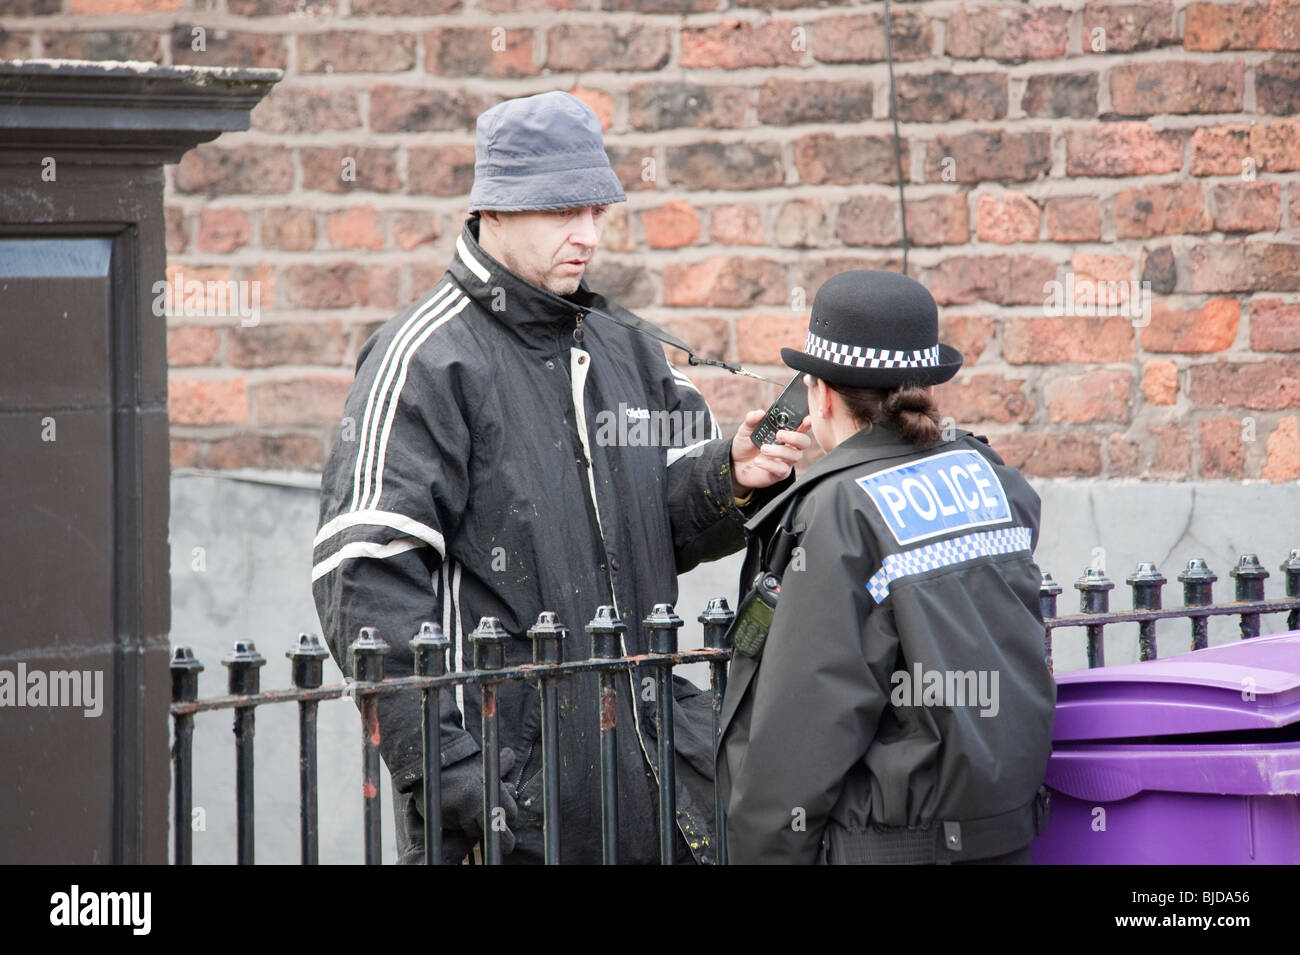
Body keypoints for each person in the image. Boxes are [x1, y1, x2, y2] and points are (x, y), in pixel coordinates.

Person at [311, 90, 810, 864]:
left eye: (597, 210)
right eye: (561, 211)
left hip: (657, 788)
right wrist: (455, 777)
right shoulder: (425, 358)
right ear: (494, 210)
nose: (587, 235)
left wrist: (730, 475)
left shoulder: (625, 346)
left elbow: (659, 522)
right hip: (513, 814)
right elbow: (364, 579)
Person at [717, 269, 1056, 865]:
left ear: (821, 394)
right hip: (1004, 834)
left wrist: (761, 850)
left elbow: (806, 722)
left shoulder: (840, 509)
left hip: (889, 844)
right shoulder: (993, 478)